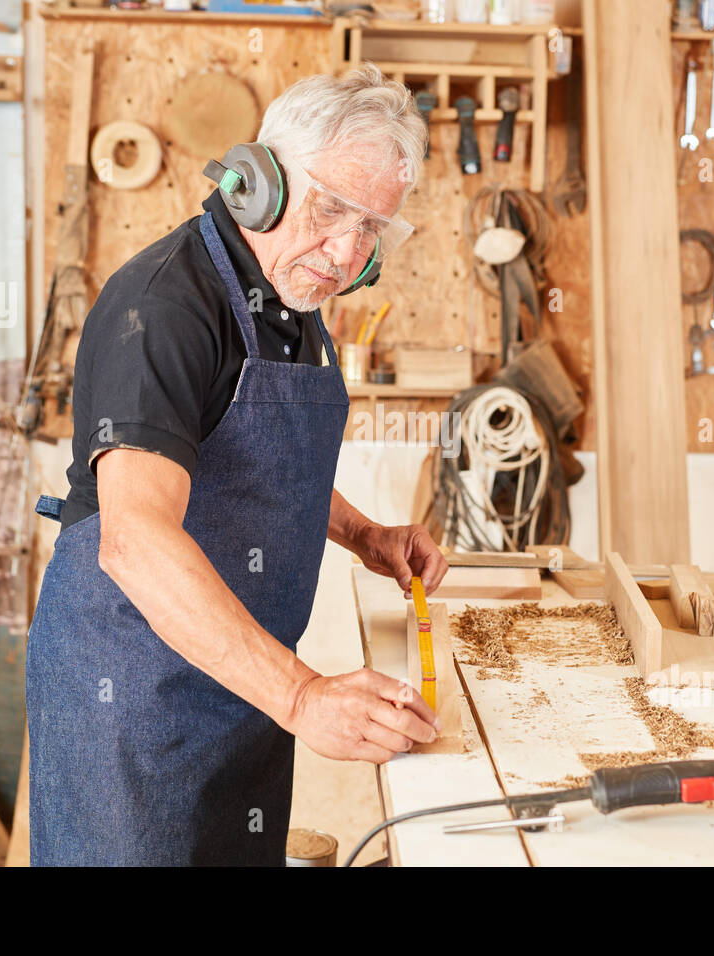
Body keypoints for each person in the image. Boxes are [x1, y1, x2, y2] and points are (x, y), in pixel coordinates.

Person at [26, 65, 449, 865]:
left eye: (374, 230)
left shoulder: (293, 299)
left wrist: (363, 535)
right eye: (333, 210)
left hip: (241, 690)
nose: (347, 252)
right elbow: (134, 538)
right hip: (134, 701)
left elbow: (253, 457)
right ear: (259, 180)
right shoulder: (163, 307)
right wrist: (301, 694)